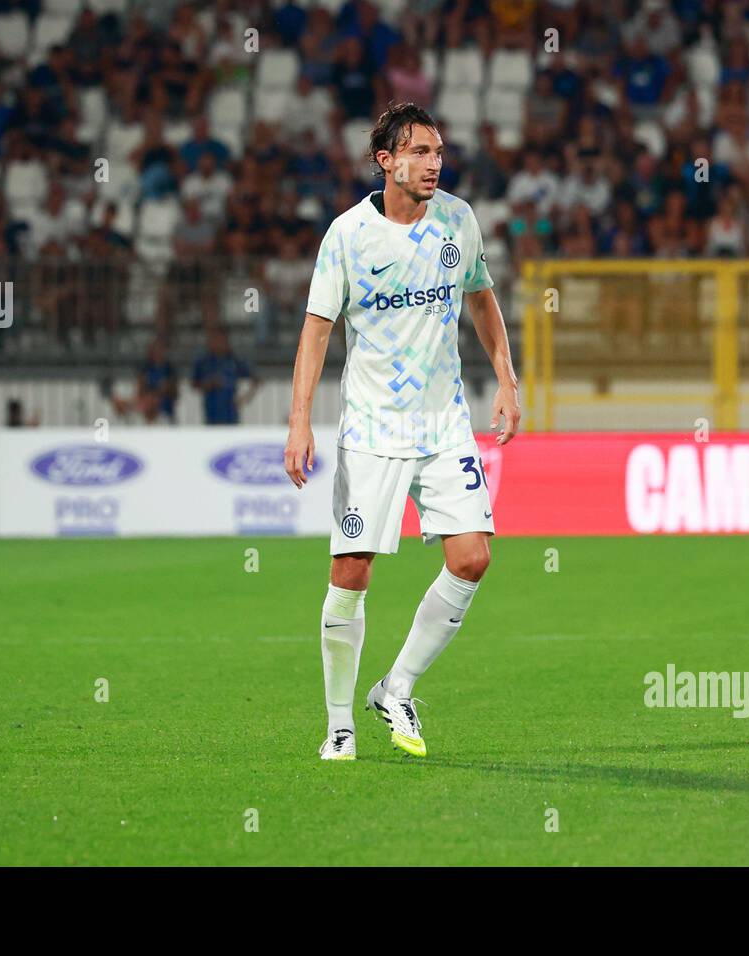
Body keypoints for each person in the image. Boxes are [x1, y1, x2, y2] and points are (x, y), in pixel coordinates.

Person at [284, 102, 521, 762]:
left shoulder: (458, 221)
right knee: (351, 571)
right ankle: (338, 724)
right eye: (418, 151)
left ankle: (398, 685)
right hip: (372, 429)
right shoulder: (348, 236)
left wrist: (506, 378)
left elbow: (480, 296)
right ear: (385, 160)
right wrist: (299, 418)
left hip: (444, 421)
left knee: (472, 556)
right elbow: (318, 329)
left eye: (438, 151)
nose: (433, 162)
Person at [191, 327, 255, 424]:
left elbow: (255, 379)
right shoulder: (203, 361)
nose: (217, 343)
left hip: (231, 413)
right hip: (211, 412)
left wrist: (244, 398)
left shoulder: (234, 360)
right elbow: (194, 383)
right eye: (214, 339)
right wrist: (208, 384)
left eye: (220, 339)